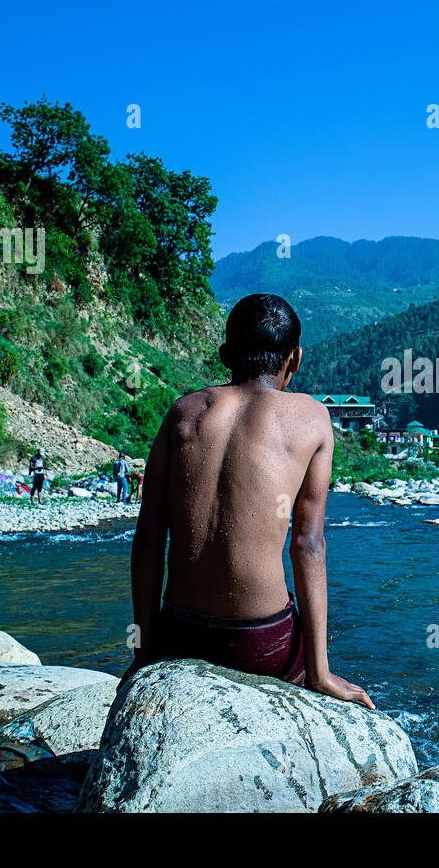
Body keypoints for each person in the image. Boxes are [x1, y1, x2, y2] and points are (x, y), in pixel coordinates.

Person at [125, 293, 373, 708]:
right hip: (259, 640)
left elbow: (150, 532)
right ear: (295, 359)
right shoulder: (312, 417)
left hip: (179, 631)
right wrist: (320, 673)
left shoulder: (183, 412)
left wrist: (144, 654)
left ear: (225, 354)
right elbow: (308, 543)